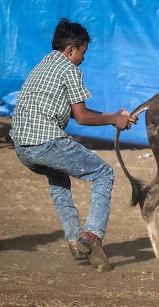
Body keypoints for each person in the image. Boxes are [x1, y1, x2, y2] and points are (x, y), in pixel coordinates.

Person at [8, 18, 137, 272]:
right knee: (103, 173)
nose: (84, 58)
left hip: (22, 147)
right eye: (83, 52)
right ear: (71, 50)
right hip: (46, 140)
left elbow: (81, 111)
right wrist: (114, 119)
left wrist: (114, 118)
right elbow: (82, 117)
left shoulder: (43, 64)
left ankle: (74, 241)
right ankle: (91, 236)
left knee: (59, 181)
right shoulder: (70, 69)